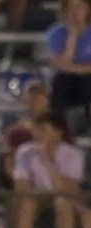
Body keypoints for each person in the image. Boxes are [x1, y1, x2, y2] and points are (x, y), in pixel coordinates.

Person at [12, 111, 89, 228]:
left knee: (63, 204)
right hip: (37, 197)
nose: (38, 134)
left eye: (44, 130)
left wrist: (48, 160)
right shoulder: (24, 152)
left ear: (58, 133)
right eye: (37, 129)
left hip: (65, 199)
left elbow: (69, 190)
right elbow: (22, 188)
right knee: (27, 203)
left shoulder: (73, 155)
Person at [46, 0, 91, 133]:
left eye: (79, 7)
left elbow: (65, 65)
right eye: (70, 7)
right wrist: (73, 36)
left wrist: (73, 68)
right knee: (60, 81)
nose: (74, 11)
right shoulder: (56, 32)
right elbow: (61, 64)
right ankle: (58, 129)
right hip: (67, 81)